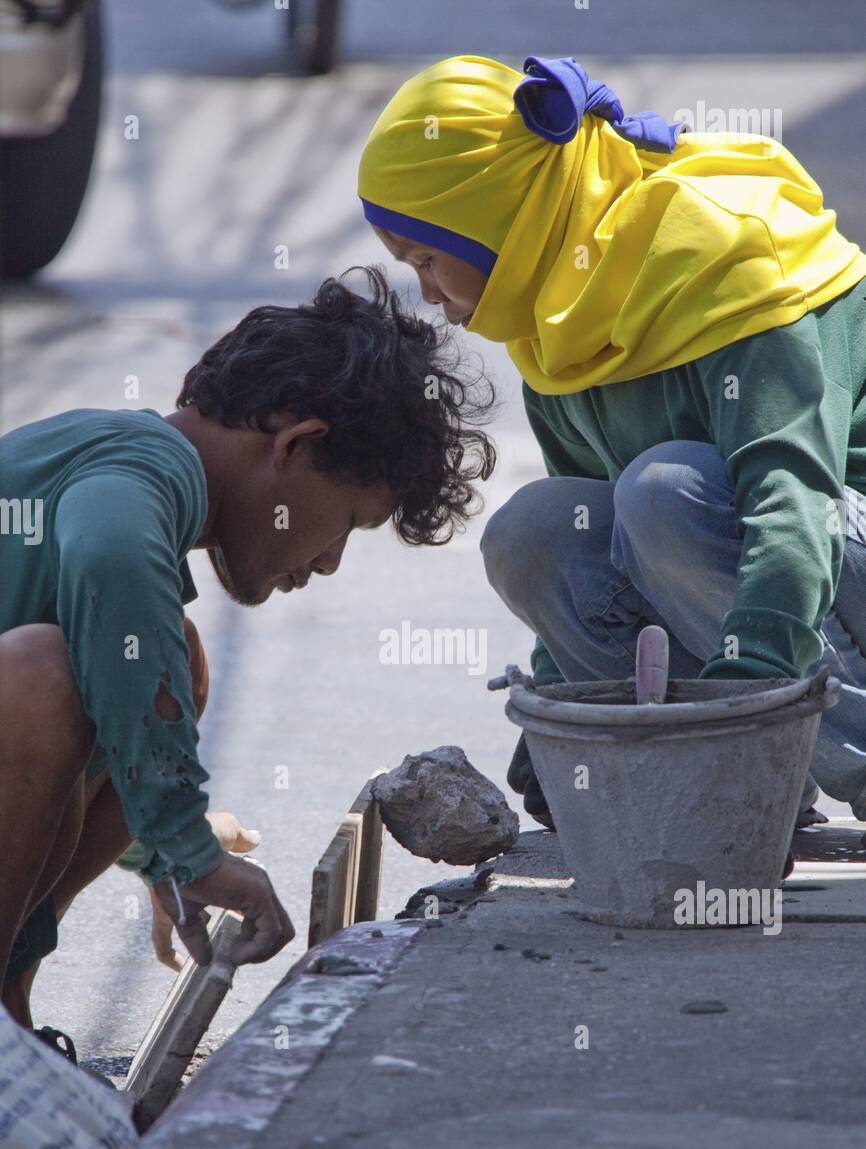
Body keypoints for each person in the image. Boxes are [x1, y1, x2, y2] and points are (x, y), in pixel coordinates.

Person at [357, 54, 866, 830]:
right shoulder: (561, 316)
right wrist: (563, 709)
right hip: (784, 582)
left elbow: (794, 507)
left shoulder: (726, 255)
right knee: (535, 529)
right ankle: (713, 807)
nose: (426, 293)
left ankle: (806, 764)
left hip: (830, 539)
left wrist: (744, 707)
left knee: (665, 493)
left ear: (502, 213)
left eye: (428, 257)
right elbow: (594, 530)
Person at [0, 268, 495, 1039]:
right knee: (46, 677)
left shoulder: (125, 463)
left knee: (169, 660)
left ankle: (11, 1018)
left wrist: (163, 847)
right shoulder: (142, 465)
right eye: (351, 524)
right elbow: (109, 556)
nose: (328, 563)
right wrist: (188, 850)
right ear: (298, 447)